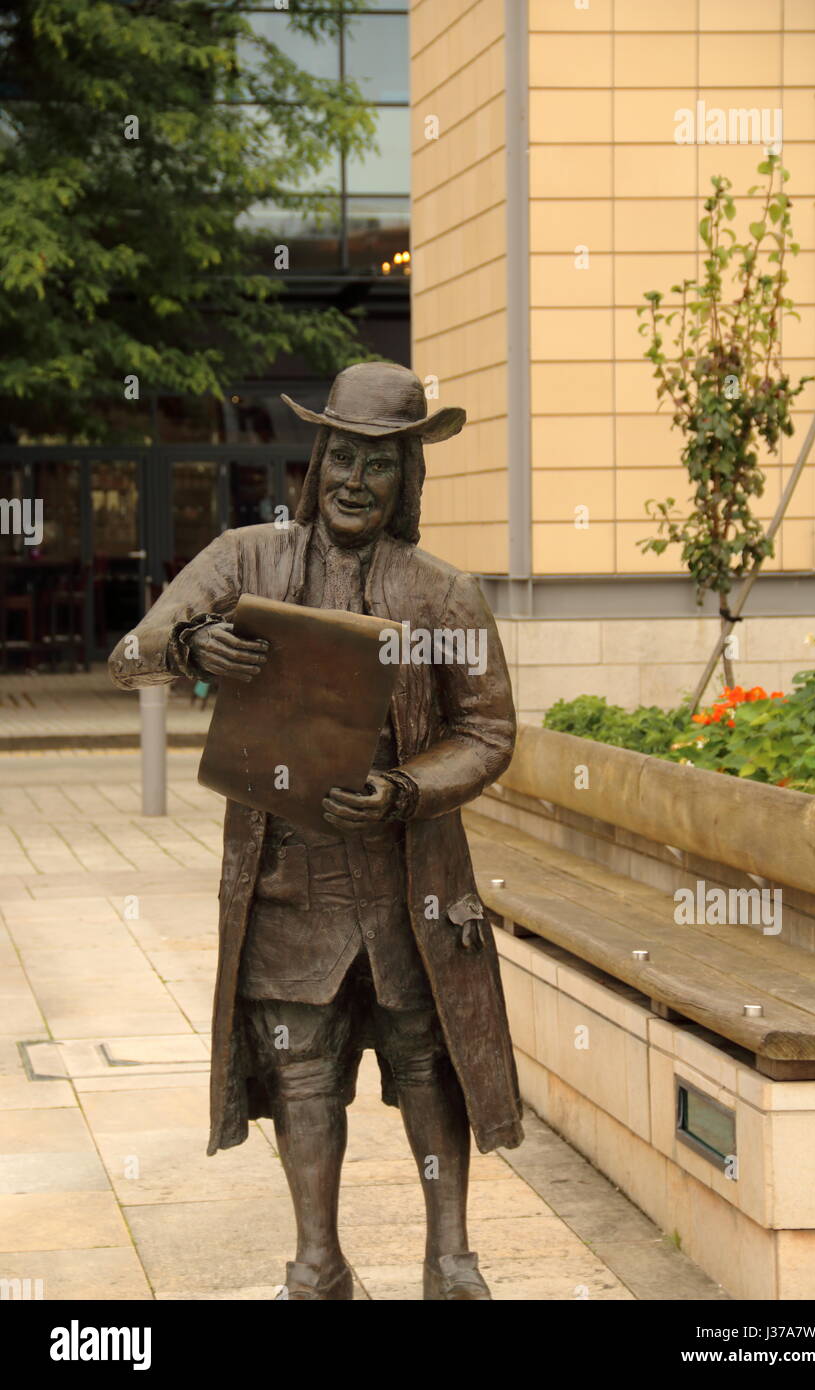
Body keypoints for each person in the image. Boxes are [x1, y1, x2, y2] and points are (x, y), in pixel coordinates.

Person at [109, 361, 523, 1300]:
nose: (355, 481)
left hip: (407, 879)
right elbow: (127, 654)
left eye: (381, 465)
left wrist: (409, 790)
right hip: (290, 881)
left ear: (408, 476)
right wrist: (187, 647)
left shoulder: (444, 594)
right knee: (303, 1070)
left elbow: (490, 731)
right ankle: (317, 1258)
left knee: (428, 1064)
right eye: (343, 457)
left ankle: (449, 1255)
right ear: (316, 458)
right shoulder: (244, 558)